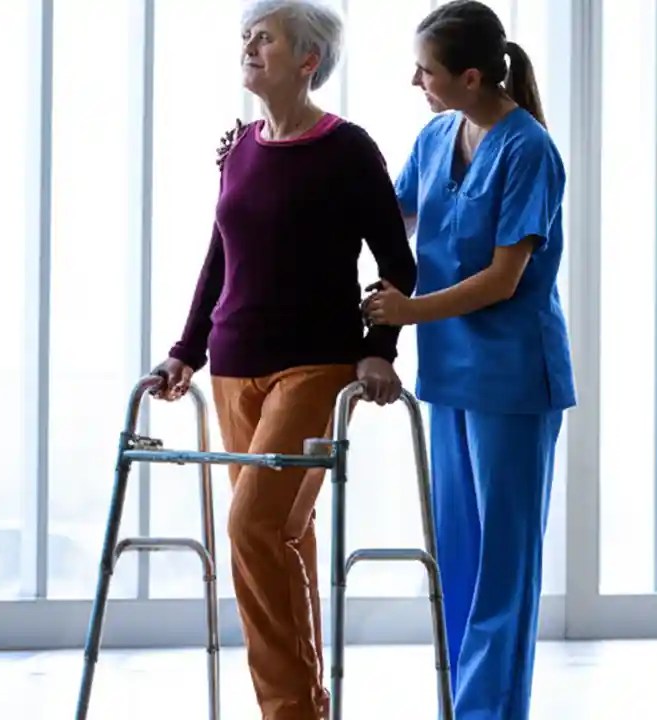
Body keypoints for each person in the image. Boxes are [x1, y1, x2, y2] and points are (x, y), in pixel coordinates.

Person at [151, 1, 418, 718]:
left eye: (263, 37)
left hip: (316, 367)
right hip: (237, 361)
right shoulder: (238, 148)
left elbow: (397, 262)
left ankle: (290, 710)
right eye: (246, 35)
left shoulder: (350, 149)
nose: (248, 45)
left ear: (307, 60)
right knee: (283, 537)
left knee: (253, 528)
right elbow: (220, 259)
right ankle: (307, 702)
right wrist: (186, 351)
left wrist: (377, 351)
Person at [362, 1, 575, 717]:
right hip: (450, 375)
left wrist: (408, 312)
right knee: (458, 554)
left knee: (503, 569)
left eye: (425, 70)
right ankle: (461, 704)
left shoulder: (529, 150)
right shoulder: (434, 137)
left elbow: (504, 277)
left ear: (472, 75)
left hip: (514, 380)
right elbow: (394, 216)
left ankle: (491, 711)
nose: (414, 80)